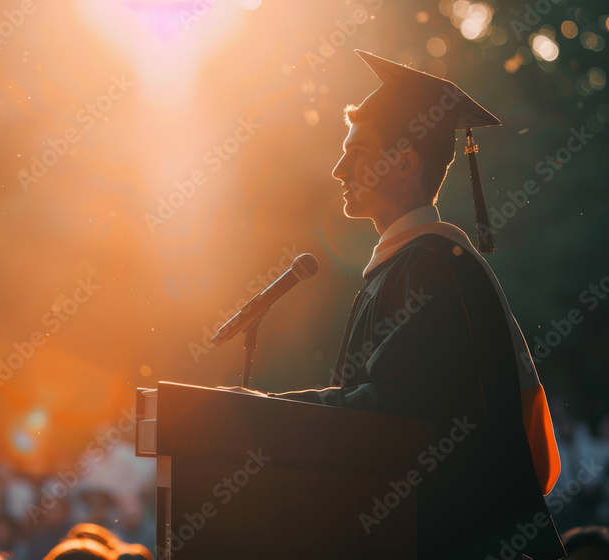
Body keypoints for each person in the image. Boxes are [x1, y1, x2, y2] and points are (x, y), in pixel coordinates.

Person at [224, 50, 566, 559]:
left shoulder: (432, 268)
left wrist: (254, 413)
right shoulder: (411, 264)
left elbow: (386, 414)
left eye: (357, 151)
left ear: (404, 162)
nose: (339, 169)